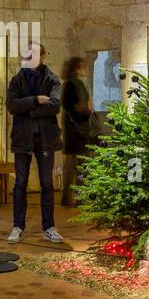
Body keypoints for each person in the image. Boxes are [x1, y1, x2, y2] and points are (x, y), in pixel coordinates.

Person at [6, 42, 62, 244]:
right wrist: (37, 100)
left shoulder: (52, 79)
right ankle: (18, 226)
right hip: (23, 139)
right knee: (20, 183)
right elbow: (11, 105)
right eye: (27, 55)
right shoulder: (17, 79)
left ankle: (49, 227)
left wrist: (27, 108)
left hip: (45, 139)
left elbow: (55, 105)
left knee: (47, 183)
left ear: (43, 56)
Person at [59, 56, 92, 207]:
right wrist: (86, 109)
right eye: (83, 66)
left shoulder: (71, 84)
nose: (85, 69)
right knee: (77, 164)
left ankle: (70, 196)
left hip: (73, 129)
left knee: (74, 164)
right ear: (76, 68)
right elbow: (72, 106)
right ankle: (75, 196)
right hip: (77, 129)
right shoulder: (75, 84)